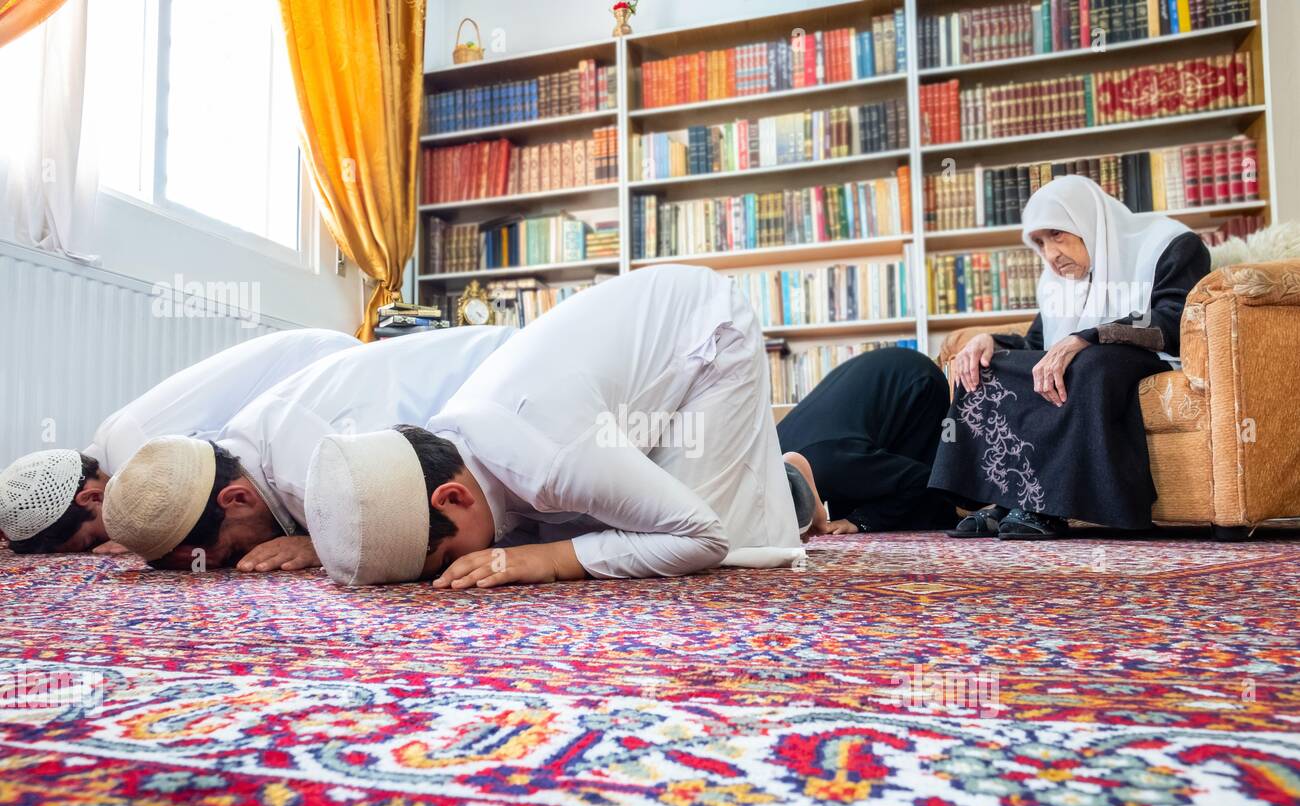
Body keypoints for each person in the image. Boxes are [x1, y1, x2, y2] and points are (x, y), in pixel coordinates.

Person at [303, 265, 808, 588]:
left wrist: (550, 560)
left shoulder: (550, 460)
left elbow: (702, 535)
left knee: (728, 550)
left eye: (446, 559)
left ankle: (797, 481)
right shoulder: (455, 432)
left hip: (706, 332)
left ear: (451, 498)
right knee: (615, 526)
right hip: (608, 415)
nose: (455, 572)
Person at [928, 175, 1212, 539]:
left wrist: (1086, 337)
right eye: (1040, 243)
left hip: (1148, 358)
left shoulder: (1168, 244)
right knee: (988, 368)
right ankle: (1011, 493)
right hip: (1087, 361)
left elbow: (1175, 319)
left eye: (1057, 235)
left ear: (1087, 221)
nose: (1050, 255)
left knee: (1088, 364)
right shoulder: (1057, 282)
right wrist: (988, 341)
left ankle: (1045, 506)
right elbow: (1036, 343)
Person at [100, 325, 517, 573]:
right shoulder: (247, 436)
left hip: (529, 397)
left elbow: (446, 512)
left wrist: (327, 543)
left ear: (237, 498)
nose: (246, 562)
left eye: (231, 553)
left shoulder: (318, 467)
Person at [0, 328, 357, 555]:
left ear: (93, 497)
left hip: (326, 372)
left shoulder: (142, 460)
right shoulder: (109, 439)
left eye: (91, 540)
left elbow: (242, 484)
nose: (98, 549)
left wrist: (322, 542)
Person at [777, 347, 956, 535]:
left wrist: (860, 521)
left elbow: (921, 480)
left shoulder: (830, 465)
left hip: (920, 383)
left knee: (920, 505)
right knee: (856, 490)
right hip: (890, 372)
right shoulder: (777, 451)